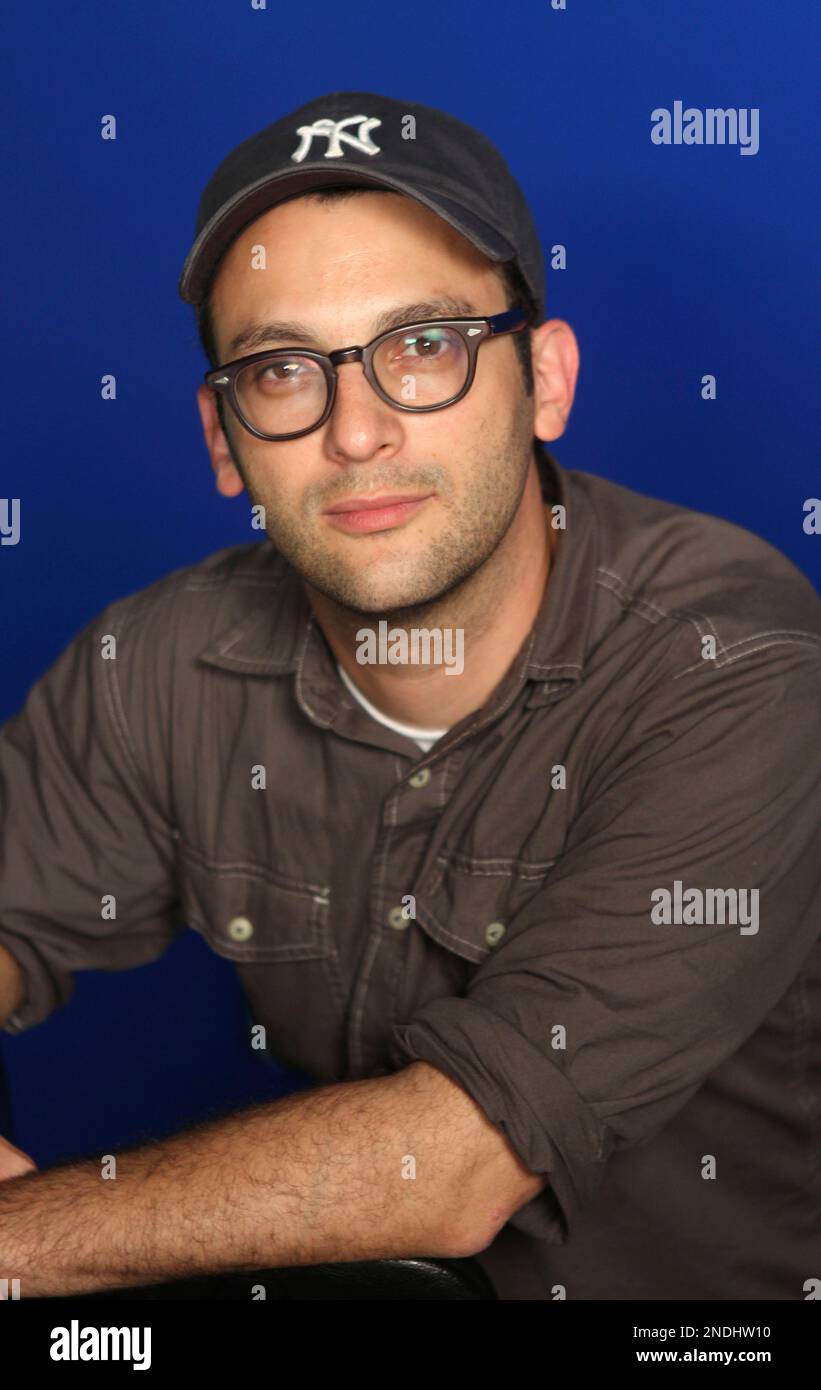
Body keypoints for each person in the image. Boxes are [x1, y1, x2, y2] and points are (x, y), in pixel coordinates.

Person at [0, 89, 819, 1301]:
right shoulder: (158, 665)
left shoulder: (739, 668)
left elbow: (452, 1163)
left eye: (423, 347)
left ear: (544, 380)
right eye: (284, 370)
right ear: (225, 438)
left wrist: (23, 1239)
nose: (357, 432)